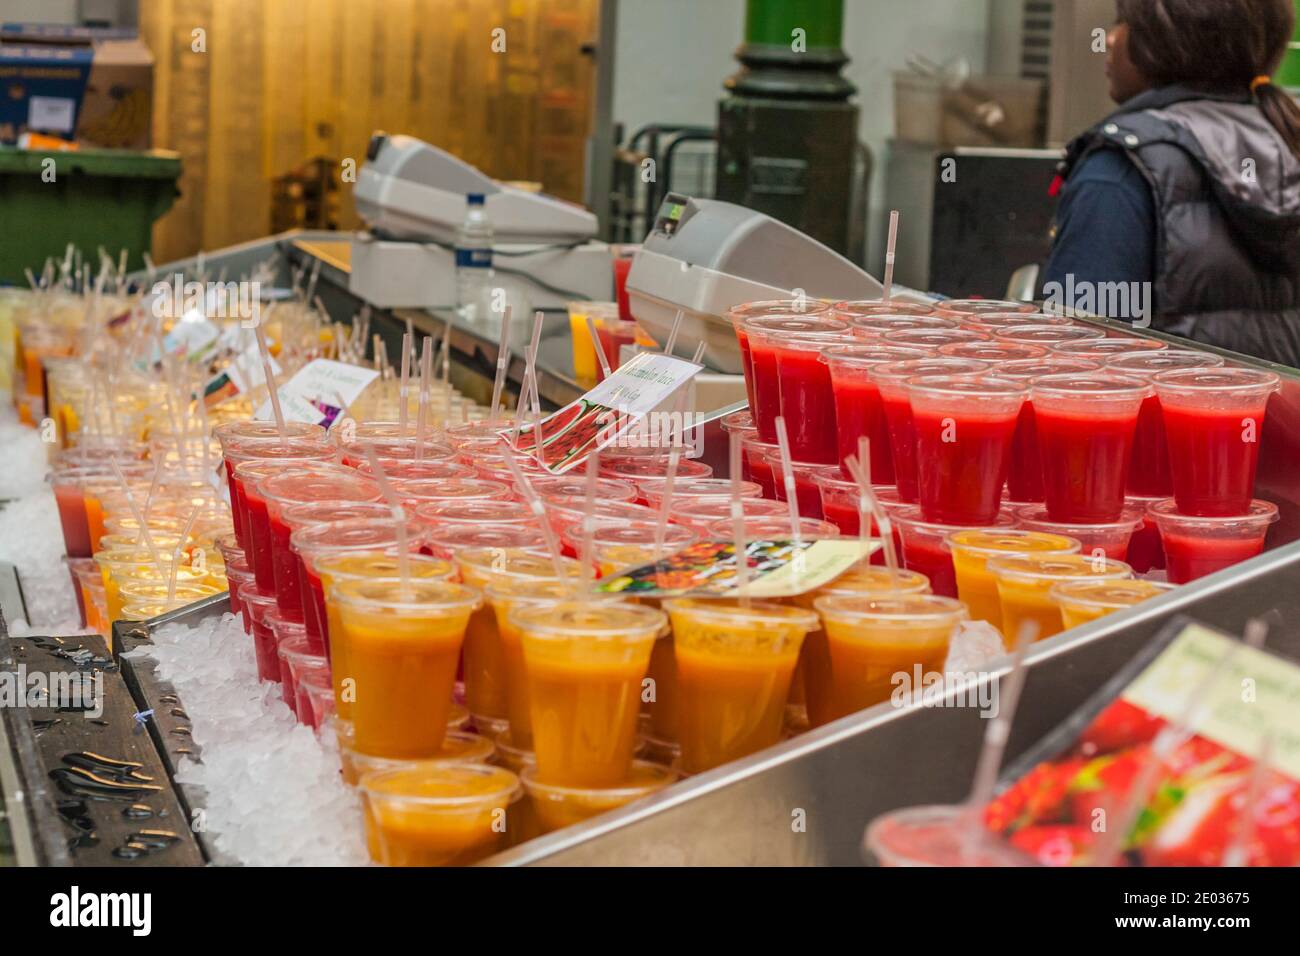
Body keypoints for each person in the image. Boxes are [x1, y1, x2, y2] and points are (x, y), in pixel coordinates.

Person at [1041, 0, 1300, 367]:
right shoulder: (1285, 137)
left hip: (1166, 426)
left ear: (1167, 40)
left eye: (1123, 22)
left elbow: (1076, 364)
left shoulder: (1122, 168)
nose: (1110, 39)